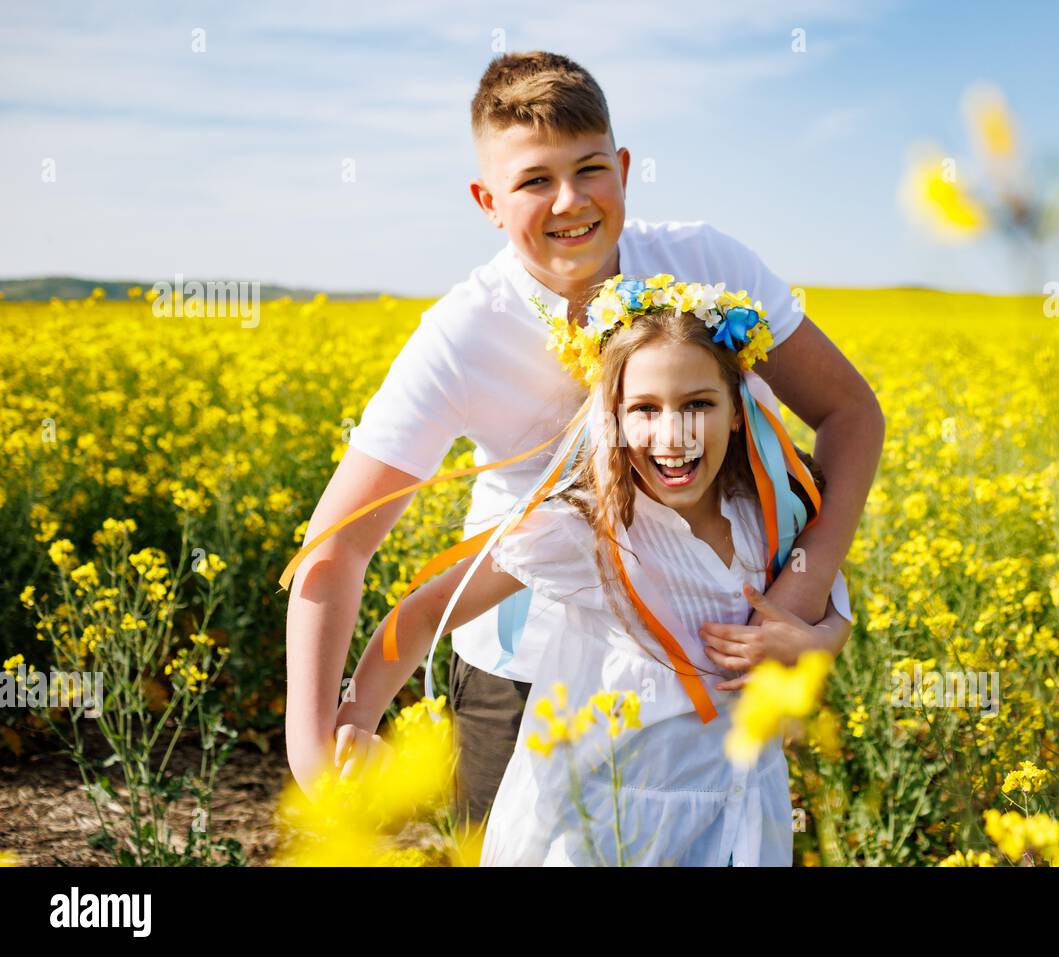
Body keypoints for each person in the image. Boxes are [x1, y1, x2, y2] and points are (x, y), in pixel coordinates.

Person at [283, 51, 885, 820]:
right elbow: (340, 546)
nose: (569, 201)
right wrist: (319, 746)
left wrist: (795, 601)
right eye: (534, 180)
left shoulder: (706, 263)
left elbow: (850, 414)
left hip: (701, 665)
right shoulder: (461, 336)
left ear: (625, 169)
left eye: (590, 169)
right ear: (487, 201)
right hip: (522, 674)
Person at [331, 275, 854, 865]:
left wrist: (820, 641)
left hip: (739, 816)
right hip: (607, 830)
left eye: (699, 405)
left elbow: (833, 603)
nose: (673, 433)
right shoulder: (584, 528)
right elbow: (427, 612)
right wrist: (357, 716)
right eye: (645, 409)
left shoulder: (770, 509)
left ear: (738, 412)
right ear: (613, 418)